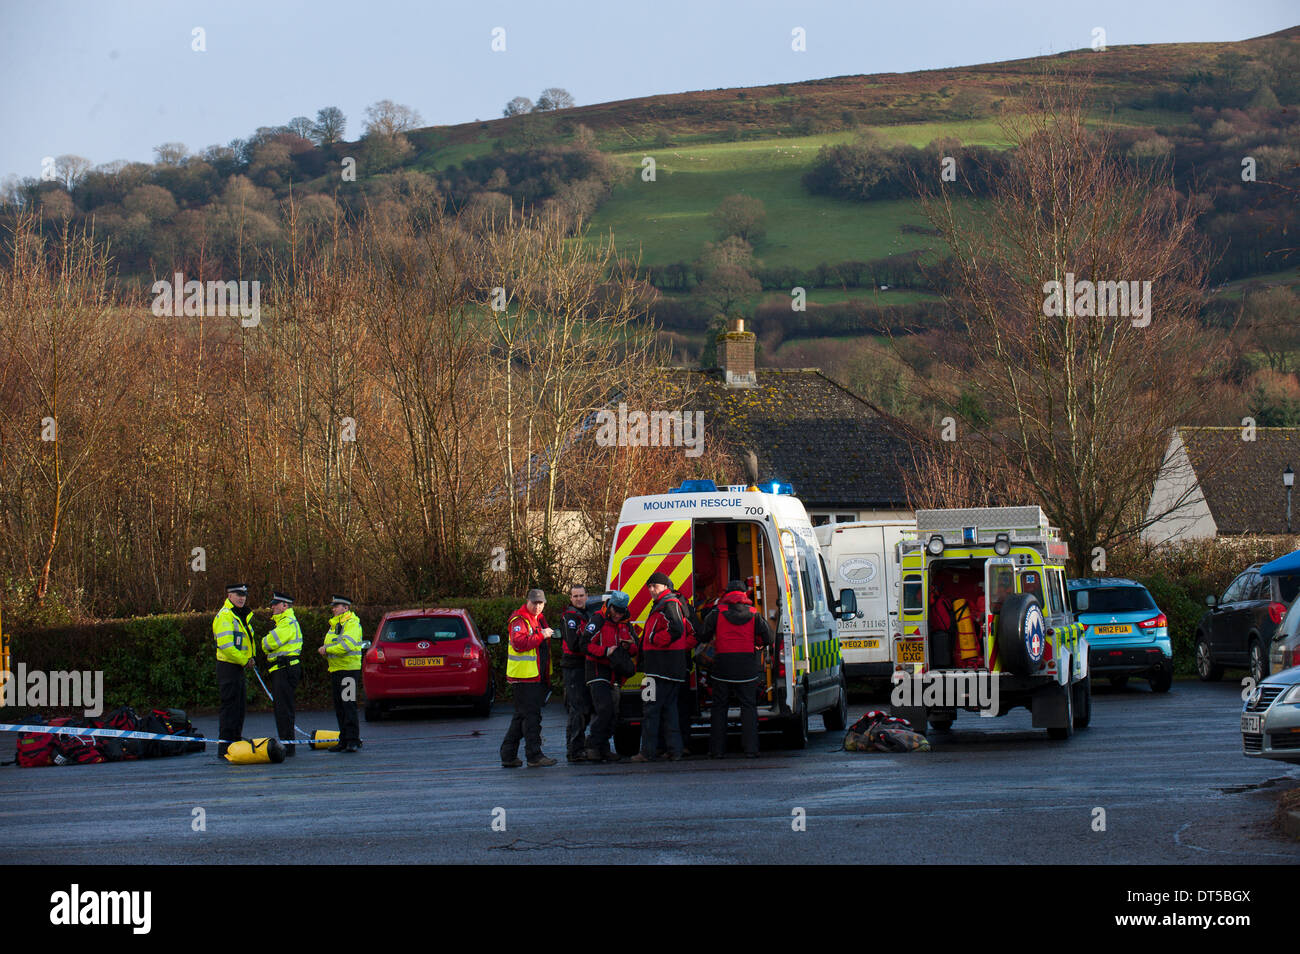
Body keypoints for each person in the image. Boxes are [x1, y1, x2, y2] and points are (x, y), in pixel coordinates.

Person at [700, 581, 773, 759]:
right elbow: (768, 637)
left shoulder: (716, 613)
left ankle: (717, 751)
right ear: (744, 594)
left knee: (719, 708)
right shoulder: (754, 614)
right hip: (747, 667)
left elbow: (704, 636)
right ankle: (750, 749)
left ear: (727, 594)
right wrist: (757, 644)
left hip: (722, 666)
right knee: (748, 707)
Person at [631, 571, 695, 762]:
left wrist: (652, 639)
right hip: (666, 669)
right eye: (649, 587)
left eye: (655, 586)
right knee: (669, 710)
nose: (651, 590)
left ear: (665, 587)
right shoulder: (667, 604)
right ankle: (675, 750)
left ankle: (647, 752)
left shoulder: (669, 604)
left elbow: (676, 628)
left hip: (660, 669)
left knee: (650, 710)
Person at [500, 588, 558, 768]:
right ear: (527, 601)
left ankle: (508, 755)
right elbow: (519, 644)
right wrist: (542, 635)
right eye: (534, 603)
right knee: (531, 717)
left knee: (521, 717)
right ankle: (534, 756)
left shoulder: (538, 619)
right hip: (524, 678)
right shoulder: (520, 620)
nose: (538, 606)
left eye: (541, 603)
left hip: (533, 676)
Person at [582, 590, 639, 762]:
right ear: (610, 607)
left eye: (621, 612)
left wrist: (628, 647)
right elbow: (584, 644)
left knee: (613, 713)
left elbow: (636, 647)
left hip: (616, 674)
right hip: (597, 671)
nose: (617, 615)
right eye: (615, 611)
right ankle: (592, 745)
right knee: (604, 710)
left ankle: (602, 748)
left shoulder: (625, 623)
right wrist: (605, 651)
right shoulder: (597, 620)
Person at [213, 583, 255, 758]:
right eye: (237, 595)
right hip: (229, 666)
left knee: (239, 707)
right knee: (230, 707)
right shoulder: (225, 616)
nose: (241, 598)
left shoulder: (239, 615)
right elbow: (226, 645)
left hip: (238, 666)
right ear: (229, 596)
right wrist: (245, 660)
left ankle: (235, 740)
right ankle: (225, 746)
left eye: (244, 595)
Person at [318, 594, 363, 753]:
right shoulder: (334, 624)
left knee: (348, 704)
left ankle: (353, 740)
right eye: (333, 606)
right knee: (339, 706)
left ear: (345, 608)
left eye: (336, 606)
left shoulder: (351, 623)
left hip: (348, 670)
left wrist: (327, 649)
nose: (333, 608)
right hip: (336, 670)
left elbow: (347, 646)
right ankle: (344, 739)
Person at [262, 590, 303, 756]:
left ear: (284, 605)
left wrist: (265, 641)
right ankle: (287, 743)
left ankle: (288, 745)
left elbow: (268, 642)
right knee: (283, 708)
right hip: (283, 669)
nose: (272, 607)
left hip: (285, 669)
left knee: (283, 709)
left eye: (275, 604)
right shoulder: (283, 622)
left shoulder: (287, 622)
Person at [559, 584, 594, 763]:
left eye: (581, 595)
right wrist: (593, 646)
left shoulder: (586, 615)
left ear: (587, 596)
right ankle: (574, 750)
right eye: (575, 596)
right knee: (577, 709)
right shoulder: (570, 617)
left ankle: (579, 746)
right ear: (570, 599)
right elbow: (573, 643)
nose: (579, 598)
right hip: (573, 667)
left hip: (585, 666)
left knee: (585, 709)